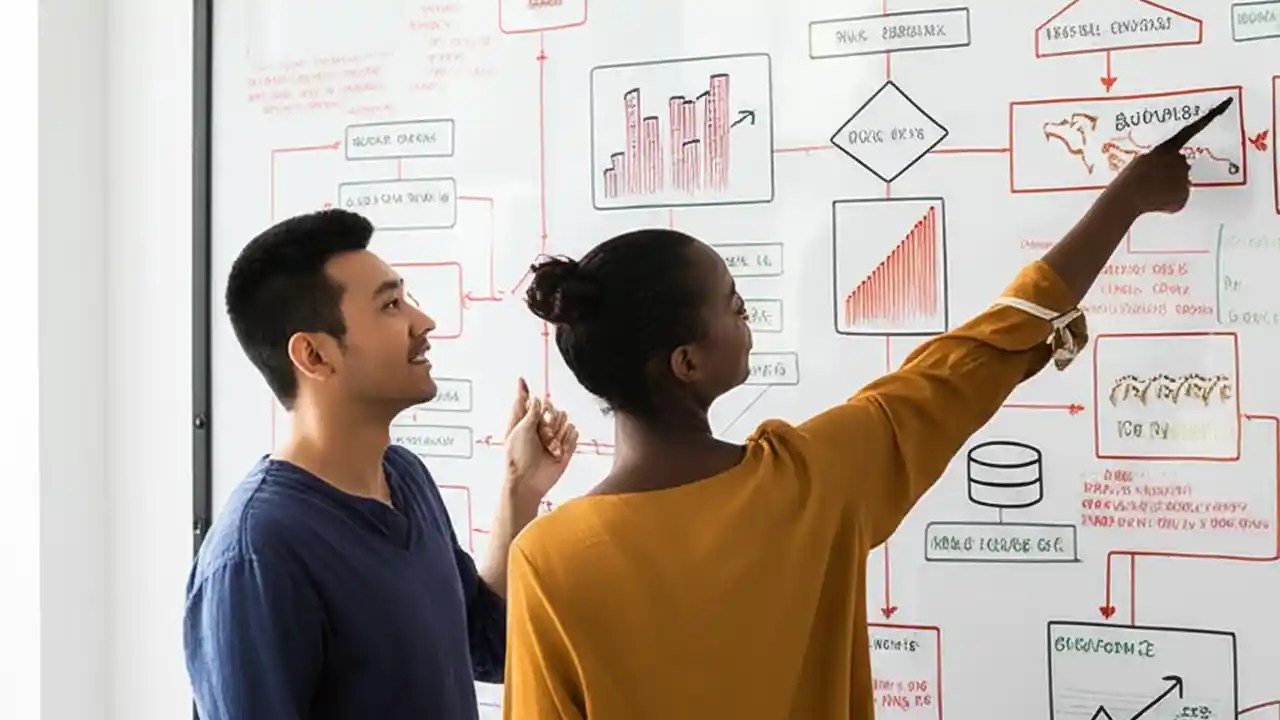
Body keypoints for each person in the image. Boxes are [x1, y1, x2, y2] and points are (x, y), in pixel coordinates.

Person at [501, 100, 1234, 718]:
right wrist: (1127, 199)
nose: (748, 317)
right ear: (687, 363)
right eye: (734, 306)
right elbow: (973, 358)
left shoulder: (549, 559)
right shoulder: (810, 480)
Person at [184, 208, 579, 720]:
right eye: (391, 305)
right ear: (314, 355)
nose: (424, 321)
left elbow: (485, 643)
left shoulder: (405, 476)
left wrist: (518, 489)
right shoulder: (257, 553)